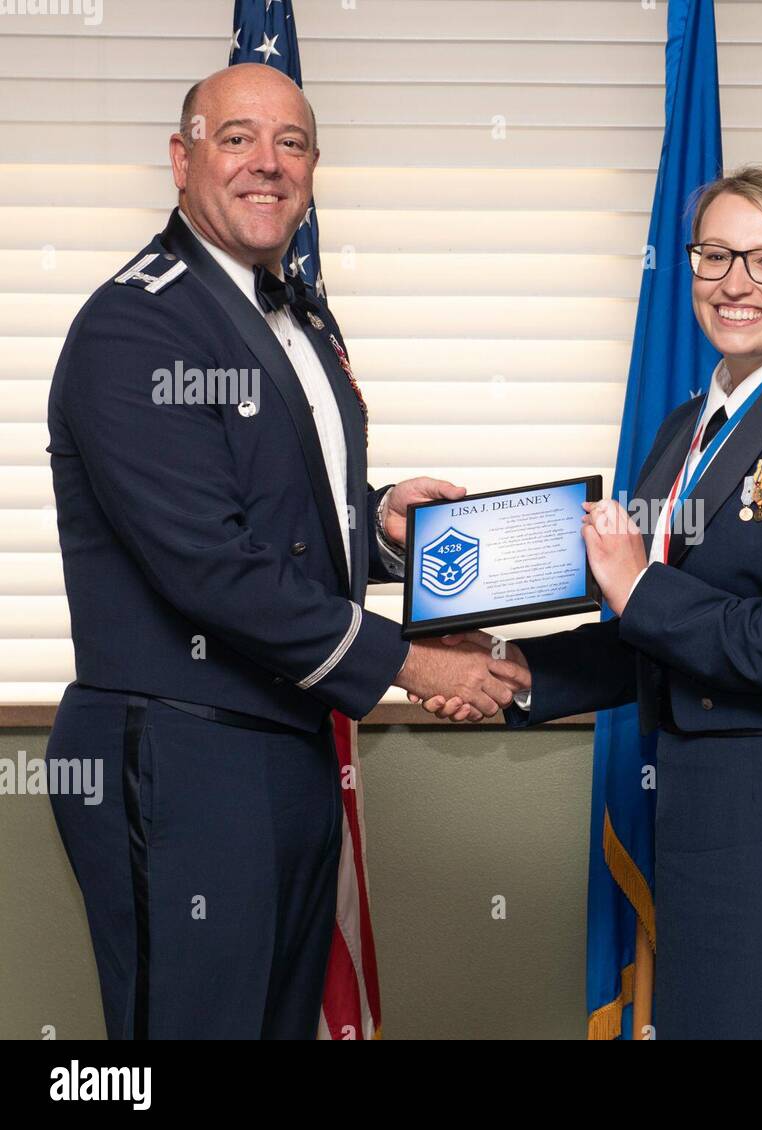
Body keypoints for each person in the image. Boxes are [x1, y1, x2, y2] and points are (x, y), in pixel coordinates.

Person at [45, 63, 525, 1039]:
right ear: (181, 160)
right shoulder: (137, 322)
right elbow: (209, 566)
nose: (267, 164)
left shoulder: (294, 309)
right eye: (236, 139)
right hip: (180, 751)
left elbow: (278, 510)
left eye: (292, 143)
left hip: (283, 745)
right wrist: (413, 661)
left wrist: (385, 522)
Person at [418, 167, 762, 1038]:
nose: (735, 283)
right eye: (716, 255)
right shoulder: (682, 430)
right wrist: (508, 670)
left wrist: (639, 585)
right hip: (704, 821)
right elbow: (652, 632)